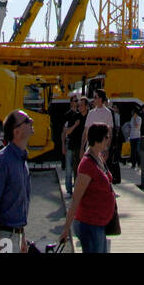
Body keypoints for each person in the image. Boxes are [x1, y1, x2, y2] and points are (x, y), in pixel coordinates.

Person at [0, 109, 34, 253]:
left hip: (14, 237)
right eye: (27, 120)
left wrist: (22, 236)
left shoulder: (21, 160)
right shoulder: (3, 161)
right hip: (3, 238)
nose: (32, 122)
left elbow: (18, 204)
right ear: (16, 131)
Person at [59, 124, 116, 254]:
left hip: (98, 222)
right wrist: (66, 229)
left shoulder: (98, 157)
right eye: (107, 137)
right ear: (98, 139)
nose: (108, 140)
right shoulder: (87, 164)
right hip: (89, 223)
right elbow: (76, 199)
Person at [61, 93, 86, 195]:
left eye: (78, 102)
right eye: (75, 101)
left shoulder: (83, 115)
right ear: (71, 102)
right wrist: (63, 144)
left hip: (79, 144)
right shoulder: (68, 115)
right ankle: (69, 190)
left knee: (77, 168)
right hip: (70, 143)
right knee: (69, 168)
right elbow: (64, 131)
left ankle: (76, 189)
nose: (77, 103)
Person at [83, 87, 113, 160]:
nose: (94, 99)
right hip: (90, 148)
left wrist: (106, 149)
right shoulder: (91, 113)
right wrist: (82, 147)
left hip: (101, 149)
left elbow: (110, 133)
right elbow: (86, 131)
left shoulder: (108, 113)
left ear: (101, 98)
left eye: (95, 97)